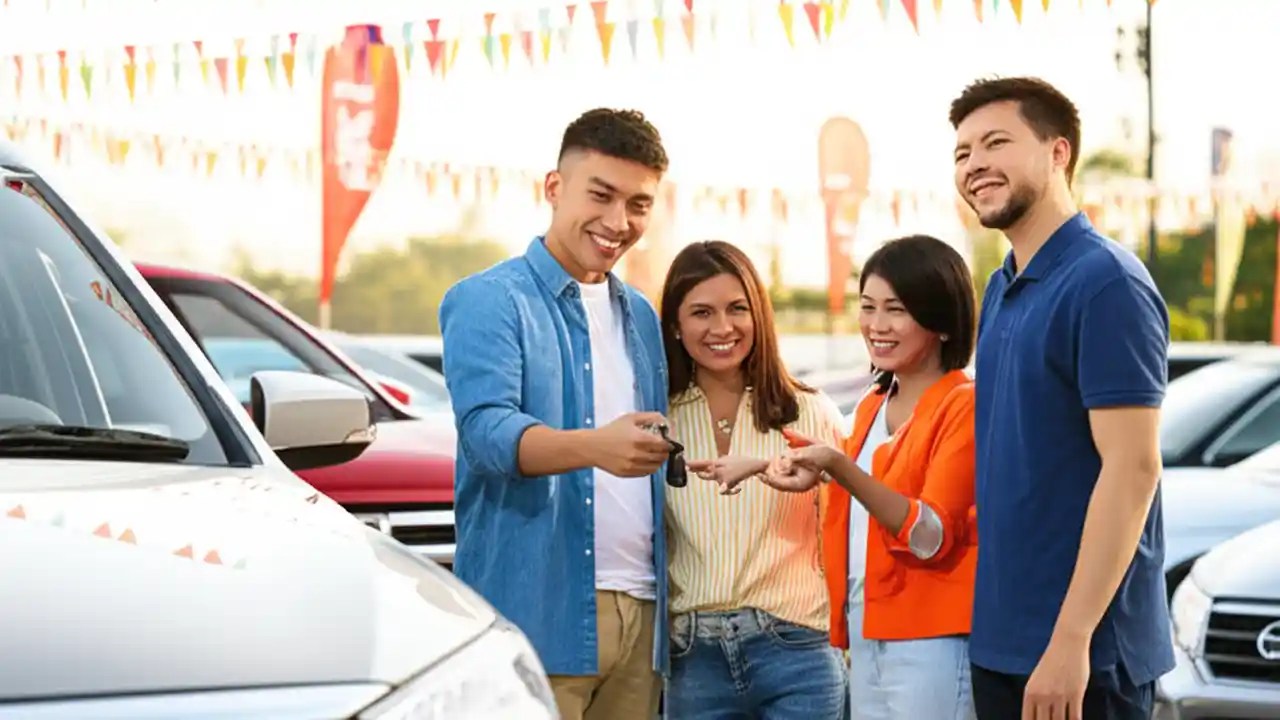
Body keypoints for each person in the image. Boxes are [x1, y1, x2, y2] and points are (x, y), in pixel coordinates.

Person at [439, 108, 675, 720]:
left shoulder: (642, 316)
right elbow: (488, 435)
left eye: (639, 204)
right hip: (537, 610)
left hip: (644, 618)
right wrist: (596, 447)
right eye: (601, 195)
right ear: (554, 187)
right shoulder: (489, 299)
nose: (618, 221)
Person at [950, 76, 1173, 719]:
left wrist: (1071, 640)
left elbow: (1133, 470)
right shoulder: (1001, 287)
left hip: (1085, 656)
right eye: (962, 153)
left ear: (1058, 153)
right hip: (1003, 644)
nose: (975, 165)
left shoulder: (1105, 282)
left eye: (996, 142)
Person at [728, 235, 980, 720]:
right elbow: (864, 505)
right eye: (867, 307)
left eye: (896, 310)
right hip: (866, 627)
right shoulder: (871, 405)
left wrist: (838, 467)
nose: (876, 326)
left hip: (932, 637)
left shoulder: (963, 405)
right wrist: (802, 473)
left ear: (943, 322)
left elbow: (929, 533)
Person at [666, 240, 847, 719]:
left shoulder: (809, 410)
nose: (722, 328)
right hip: (692, 661)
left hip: (796, 651)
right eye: (701, 312)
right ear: (675, 326)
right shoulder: (659, 423)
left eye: (737, 309)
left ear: (759, 315)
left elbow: (846, 530)